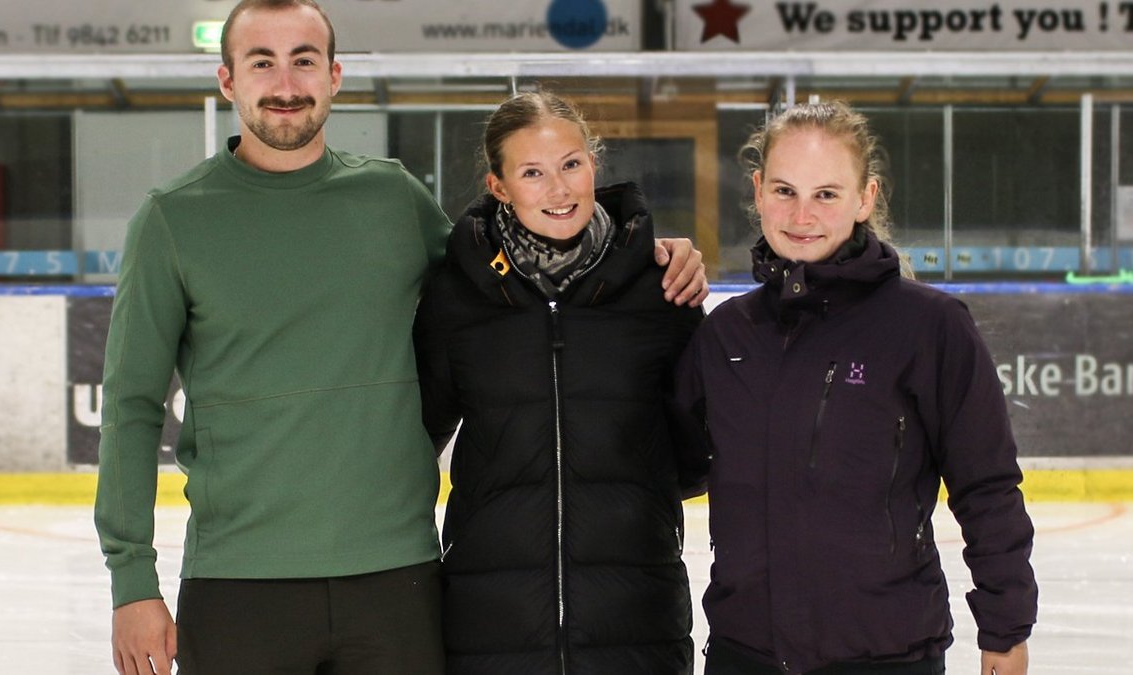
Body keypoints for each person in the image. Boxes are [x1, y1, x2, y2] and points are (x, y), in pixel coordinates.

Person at [94, 2, 709, 674]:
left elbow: (516, 279)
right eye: (261, 62)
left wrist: (641, 253)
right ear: (226, 80)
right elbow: (130, 405)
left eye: (303, 60)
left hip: (396, 581)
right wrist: (132, 580)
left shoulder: (391, 197)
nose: (286, 83)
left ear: (334, 76)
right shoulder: (172, 220)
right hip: (238, 580)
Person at [673, 101, 1037, 675]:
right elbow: (673, 465)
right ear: (758, 190)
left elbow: (986, 486)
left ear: (865, 198)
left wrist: (1006, 629)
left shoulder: (927, 326)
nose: (801, 214)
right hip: (745, 655)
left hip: (886, 654)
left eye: (826, 194)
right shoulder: (727, 334)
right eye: (785, 190)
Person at [414, 91, 709, 674]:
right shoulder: (458, 295)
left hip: (635, 619)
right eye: (532, 173)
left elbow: (694, 457)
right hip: (492, 623)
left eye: (572, 164)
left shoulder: (661, 288)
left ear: (594, 165)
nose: (559, 189)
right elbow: (414, 437)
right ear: (498, 186)